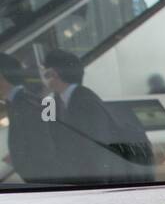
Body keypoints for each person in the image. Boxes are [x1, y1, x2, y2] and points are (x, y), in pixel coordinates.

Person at [39, 48, 152, 184]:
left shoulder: (86, 102)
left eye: (45, 73)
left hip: (94, 180)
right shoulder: (55, 101)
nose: (42, 79)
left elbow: (97, 149)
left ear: (54, 74)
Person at [0, 51, 58, 183]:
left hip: (41, 182)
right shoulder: (18, 101)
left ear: (2, 77)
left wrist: (20, 160)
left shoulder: (26, 103)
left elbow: (43, 148)